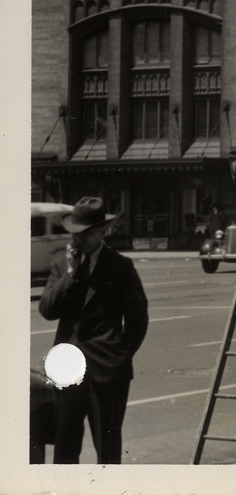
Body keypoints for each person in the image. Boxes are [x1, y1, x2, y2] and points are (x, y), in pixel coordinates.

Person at [38, 197, 149, 464]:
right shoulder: (62, 265)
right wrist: (71, 274)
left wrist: (119, 355)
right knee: (65, 448)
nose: (77, 240)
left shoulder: (120, 266)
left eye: (85, 234)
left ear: (101, 232)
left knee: (107, 449)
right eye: (74, 233)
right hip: (67, 372)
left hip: (108, 372)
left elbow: (138, 320)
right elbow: (47, 310)